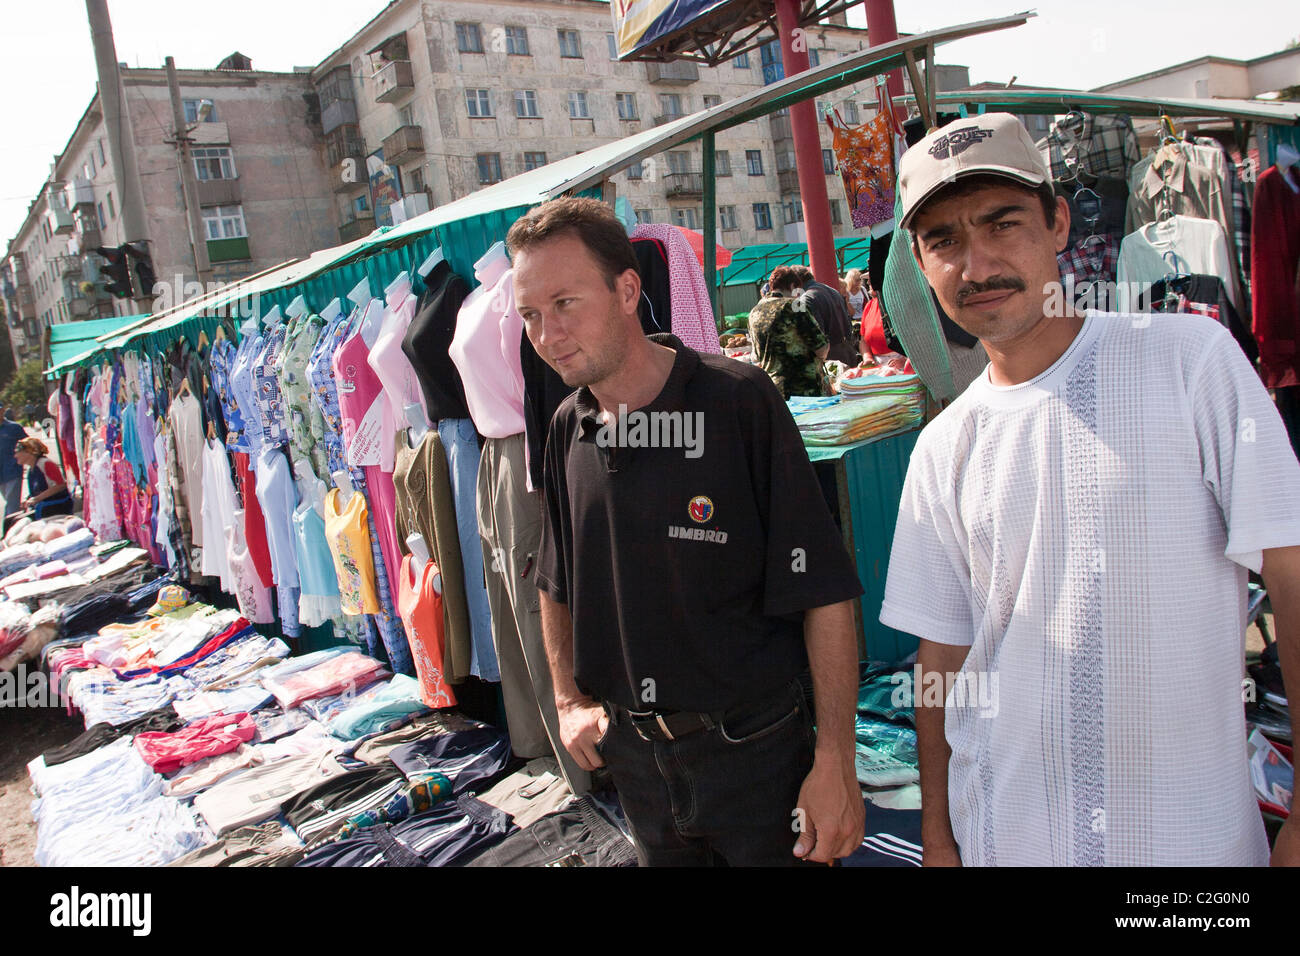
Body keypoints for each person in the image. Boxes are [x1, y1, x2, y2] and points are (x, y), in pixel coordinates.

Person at [878, 112, 1300, 866]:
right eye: (943, 240)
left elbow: (1292, 577)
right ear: (918, 260)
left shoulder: (1189, 361)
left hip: (1187, 849)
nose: (976, 266)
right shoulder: (943, 446)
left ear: (1059, 222)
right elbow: (941, 661)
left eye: (1002, 224)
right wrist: (939, 835)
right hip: (1005, 839)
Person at [510, 197, 865, 866]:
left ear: (627, 290)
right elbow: (556, 580)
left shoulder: (738, 401)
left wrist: (835, 760)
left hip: (757, 758)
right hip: (636, 770)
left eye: (564, 304)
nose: (546, 334)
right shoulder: (564, 428)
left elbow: (823, 589)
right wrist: (567, 699)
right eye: (530, 314)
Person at [747, 266, 830, 400]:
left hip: (774, 389)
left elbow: (756, 357)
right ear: (792, 286)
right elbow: (821, 349)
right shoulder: (794, 306)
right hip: (805, 389)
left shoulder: (754, 312)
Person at [790, 266, 858, 366]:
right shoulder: (833, 291)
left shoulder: (806, 298)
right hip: (847, 351)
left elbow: (815, 334)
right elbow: (847, 321)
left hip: (830, 357)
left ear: (795, 283)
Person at [15, 437, 73, 519]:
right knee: (9, 521)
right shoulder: (31, 468)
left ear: (29, 452)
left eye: (18, 452)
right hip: (42, 506)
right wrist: (27, 499)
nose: (15, 455)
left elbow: (61, 485)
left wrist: (36, 499)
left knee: (17, 521)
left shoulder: (45, 463)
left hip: (55, 506)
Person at [0, 407, 27, 520]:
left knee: (12, 504)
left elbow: (27, 444)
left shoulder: (14, 427)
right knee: (10, 501)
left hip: (13, 471)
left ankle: (9, 530)